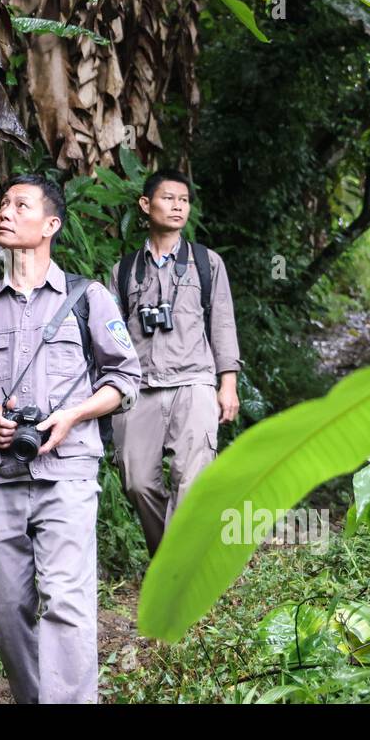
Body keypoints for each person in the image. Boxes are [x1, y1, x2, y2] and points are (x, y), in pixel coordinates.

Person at [0, 175, 141, 704]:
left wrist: (73, 415)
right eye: (2, 204)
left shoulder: (87, 298)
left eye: (19, 205)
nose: (4, 212)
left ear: (51, 224)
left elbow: (125, 379)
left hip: (66, 473)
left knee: (68, 603)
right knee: (4, 607)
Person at [109, 169, 242, 557]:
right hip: (141, 388)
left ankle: (176, 572)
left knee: (192, 479)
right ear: (146, 205)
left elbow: (222, 321)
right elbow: (114, 337)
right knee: (136, 481)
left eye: (183, 200)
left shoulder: (206, 263)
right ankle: (168, 556)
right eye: (168, 198)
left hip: (194, 382)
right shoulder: (125, 270)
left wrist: (227, 383)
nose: (178, 205)